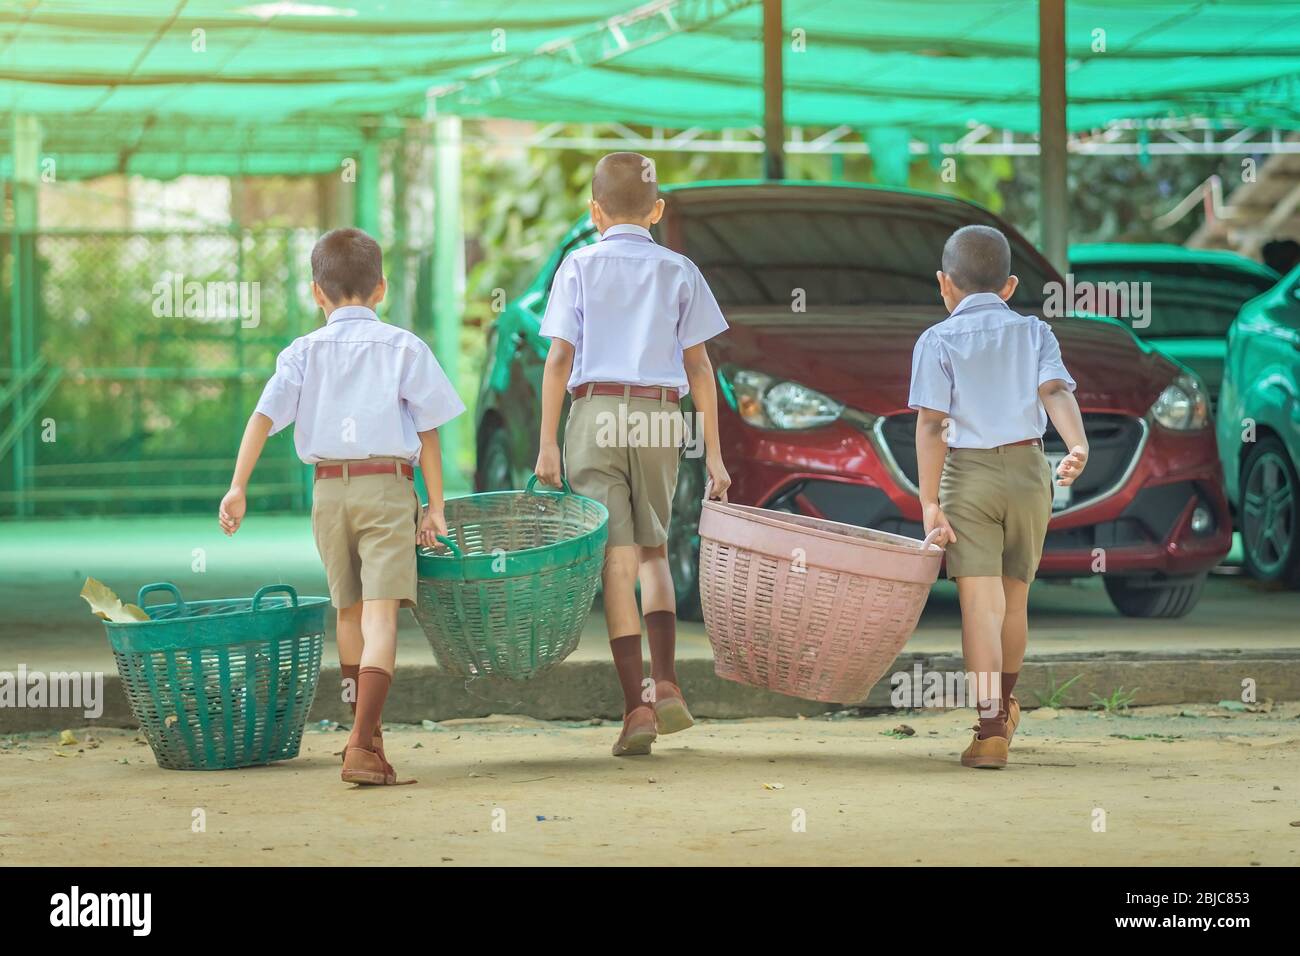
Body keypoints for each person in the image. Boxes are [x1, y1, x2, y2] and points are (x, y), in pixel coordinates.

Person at [219, 227, 464, 785]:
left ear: (316, 293)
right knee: (381, 617)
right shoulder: (404, 346)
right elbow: (428, 433)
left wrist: (238, 486)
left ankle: (365, 737)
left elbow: (262, 419)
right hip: (386, 486)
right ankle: (362, 744)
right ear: (381, 289)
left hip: (329, 491)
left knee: (348, 614)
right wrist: (435, 508)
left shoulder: (302, 352)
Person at [534, 152, 731, 756]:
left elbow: (559, 359)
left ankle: (635, 708)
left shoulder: (578, 265)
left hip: (593, 415)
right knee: (653, 553)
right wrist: (716, 457)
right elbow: (700, 366)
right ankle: (668, 680)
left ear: (594, 212)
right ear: (658, 211)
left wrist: (547, 444)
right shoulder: (679, 270)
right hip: (658, 417)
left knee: (615, 564)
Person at [908, 224, 1088, 769]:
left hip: (969, 475)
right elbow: (1055, 390)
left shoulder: (937, 340)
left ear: (945, 283)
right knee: (1015, 600)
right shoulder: (1035, 332)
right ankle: (1007, 706)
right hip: (1032, 470)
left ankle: (990, 731)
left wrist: (929, 502)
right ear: (1009, 286)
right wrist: (1076, 444)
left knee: (979, 606)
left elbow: (932, 426)